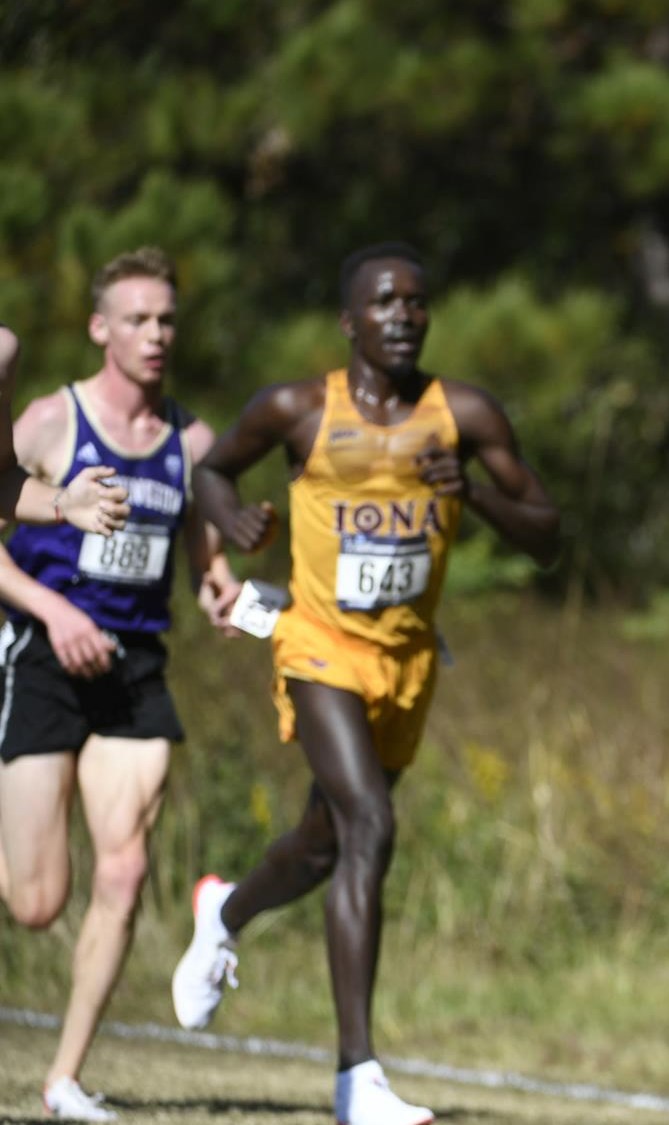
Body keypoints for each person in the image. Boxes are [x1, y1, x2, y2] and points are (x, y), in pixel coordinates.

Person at [169, 243, 560, 1125]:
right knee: (371, 826)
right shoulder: (299, 408)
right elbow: (211, 469)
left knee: (323, 844)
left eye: (416, 302)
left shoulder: (464, 413)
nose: (402, 315)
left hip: (408, 659)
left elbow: (547, 534)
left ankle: (223, 911)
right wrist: (228, 524)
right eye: (384, 301)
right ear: (350, 320)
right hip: (317, 643)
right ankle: (358, 1077)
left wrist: (473, 494)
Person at [0, 249, 209, 1122]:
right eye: (137, 319)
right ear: (100, 329)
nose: (156, 334)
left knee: (124, 867)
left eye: (166, 320)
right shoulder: (50, 421)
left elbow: (208, 568)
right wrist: (55, 612)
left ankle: (63, 1080)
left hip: (134, 667)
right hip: (43, 656)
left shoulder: (192, 444)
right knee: (37, 901)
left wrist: (229, 592)